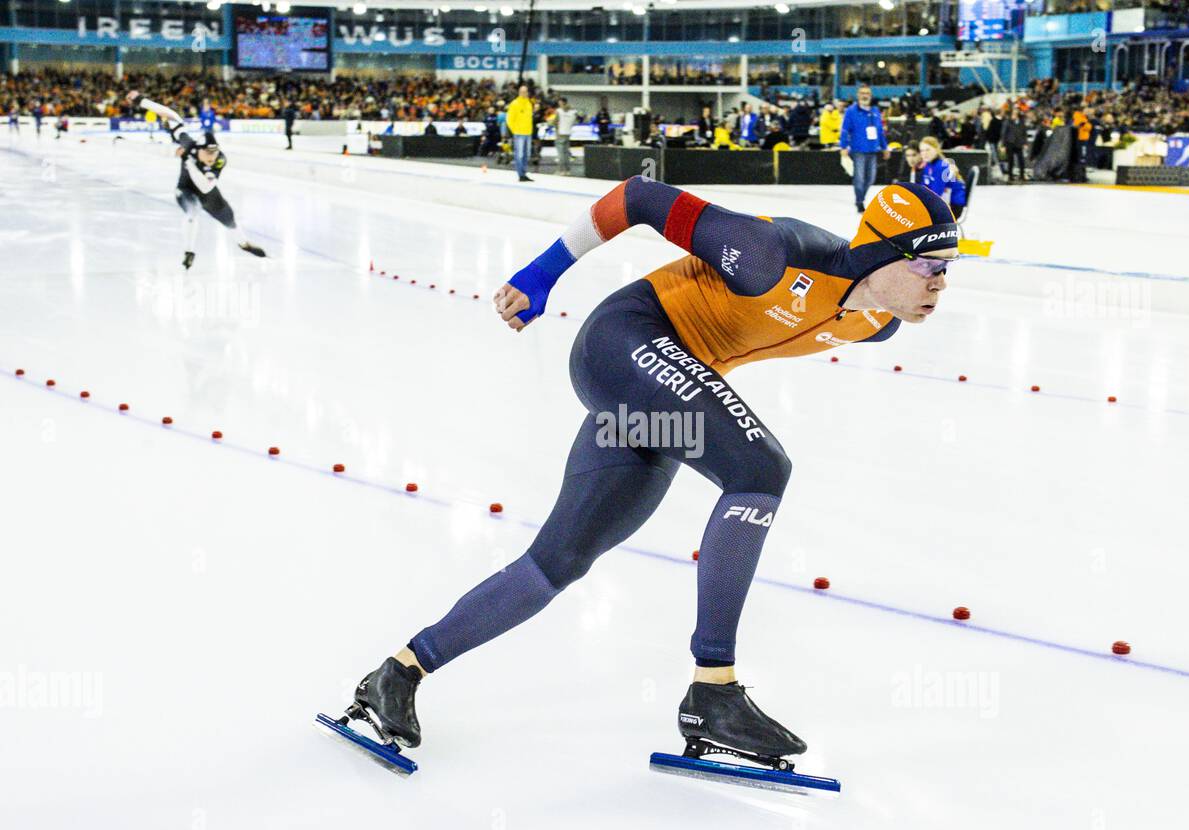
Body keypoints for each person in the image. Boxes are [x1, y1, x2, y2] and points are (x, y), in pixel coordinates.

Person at [336, 176, 960, 778]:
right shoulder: (774, 254)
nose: (939, 283)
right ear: (882, 254)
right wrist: (540, 274)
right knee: (760, 469)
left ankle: (398, 673)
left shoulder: (877, 323)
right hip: (619, 347)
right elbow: (637, 197)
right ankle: (714, 691)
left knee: (562, 557)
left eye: (947, 270)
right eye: (928, 266)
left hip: (651, 397)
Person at [124, 91, 266, 269]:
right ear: (198, 149)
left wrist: (189, 161)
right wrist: (140, 100)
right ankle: (189, 252)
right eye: (207, 152)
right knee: (192, 213)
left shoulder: (219, 159)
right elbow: (172, 116)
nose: (211, 157)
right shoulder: (189, 144)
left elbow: (206, 187)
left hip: (207, 191)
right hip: (186, 190)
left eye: (214, 153)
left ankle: (244, 244)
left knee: (230, 219)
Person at [840, 85, 890, 213]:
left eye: (867, 93)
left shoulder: (875, 111)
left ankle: (860, 198)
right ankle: (859, 202)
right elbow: (845, 130)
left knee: (871, 178)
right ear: (858, 95)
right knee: (859, 178)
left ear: (870, 95)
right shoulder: (851, 111)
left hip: (873, 150)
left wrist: (885, 147)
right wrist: (843, 146)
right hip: (858, 150)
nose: (864, 95)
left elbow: (880, 131)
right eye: (862, 93)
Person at [917, 136, 968, 220]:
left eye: (928, 150)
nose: (924, 153)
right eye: (922, 150)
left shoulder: (941, 166)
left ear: (936, 149)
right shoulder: (928, 164)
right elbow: (924, 185)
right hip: (943, 202)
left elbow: (936, 193)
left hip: (953, 207)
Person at [506, 84, 534, 182]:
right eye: (522, 92)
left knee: (527, 154)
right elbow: (509, 119)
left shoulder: (529, 103)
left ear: (527, 93)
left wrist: (530, 131)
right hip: (519, 133)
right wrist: (515, 131)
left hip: (528, 133)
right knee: (519, 154)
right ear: (519, 92)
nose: (523, 93)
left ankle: (524, 173)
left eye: (525, 91)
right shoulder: (514, 104)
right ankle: (520, 174)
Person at [1001, 109, 1028, 181]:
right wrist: (1003, 145)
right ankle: (1010, 176)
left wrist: (1025, 143)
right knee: (1010, 160)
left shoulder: (1021, 122)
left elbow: (1024, 133)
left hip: (1019, 143)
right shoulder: (1008, 122)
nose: (1014, 115)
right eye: (1013, 114)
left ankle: (1022, 175)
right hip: (1010, 143)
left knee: (1021, 160)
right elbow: (1004, 134)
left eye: (1015, 114)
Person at [554, 97, 578, 175]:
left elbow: (555, 122)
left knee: (561, 153)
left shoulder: (559, 111)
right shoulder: (573, 111)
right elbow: (577, 120)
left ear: (561, 102)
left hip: (560, 133)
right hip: (568, 133)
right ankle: (568, 170)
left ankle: (561, 170)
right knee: (566, 153)